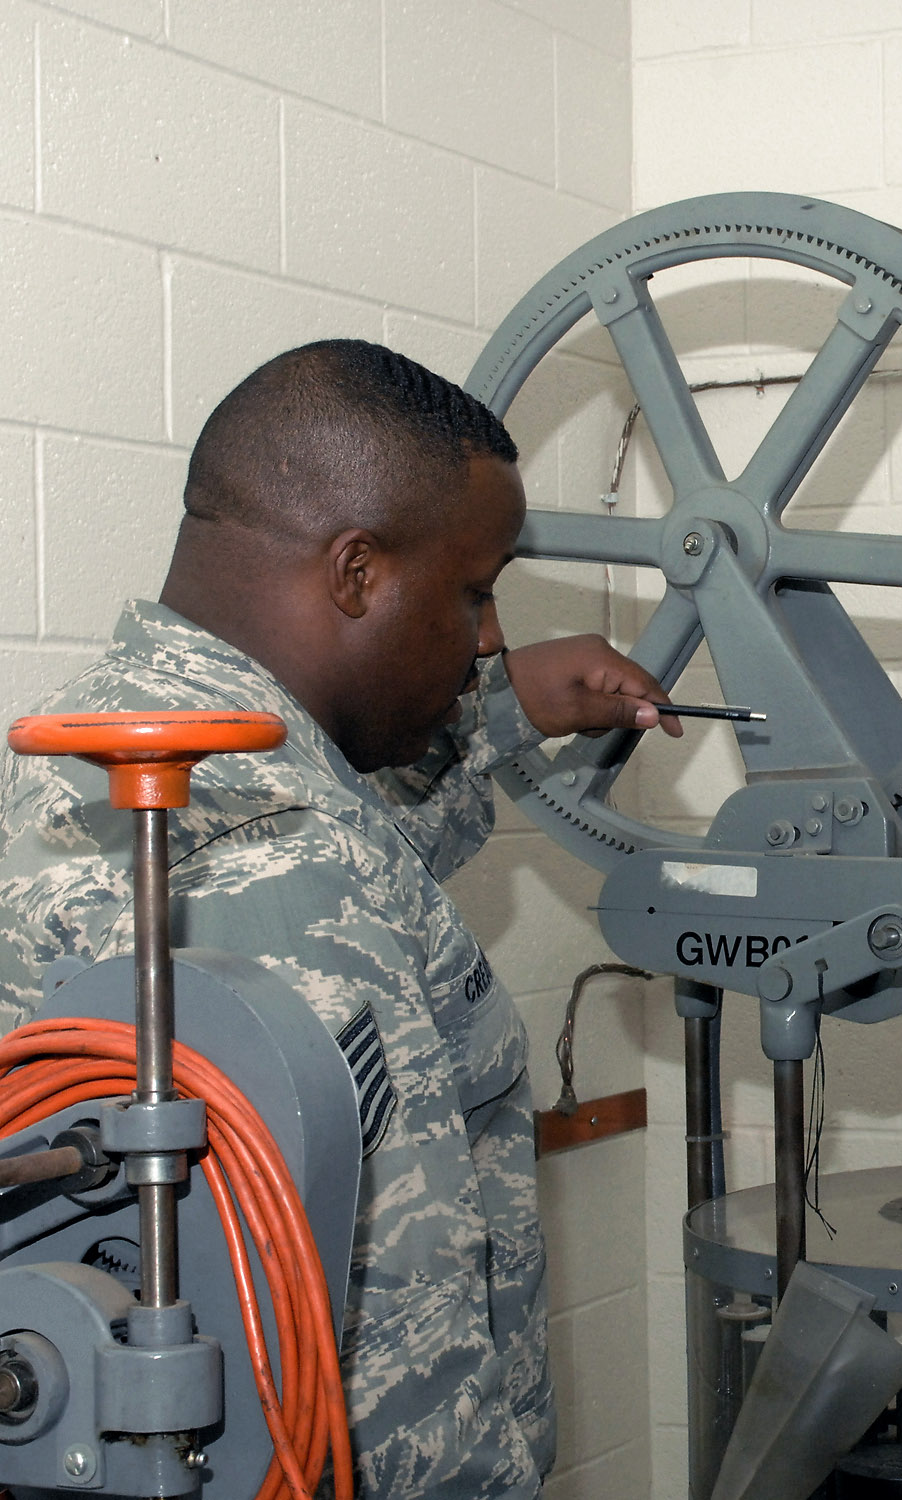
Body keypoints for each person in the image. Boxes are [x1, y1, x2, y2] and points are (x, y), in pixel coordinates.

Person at [0, 340, 682, 1498]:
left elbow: (363, 839)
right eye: (475, 592)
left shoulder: (96, 753)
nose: (491, 640)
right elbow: (393, 1372)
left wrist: (504, 716)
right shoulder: (288, 870)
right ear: (358, 572)